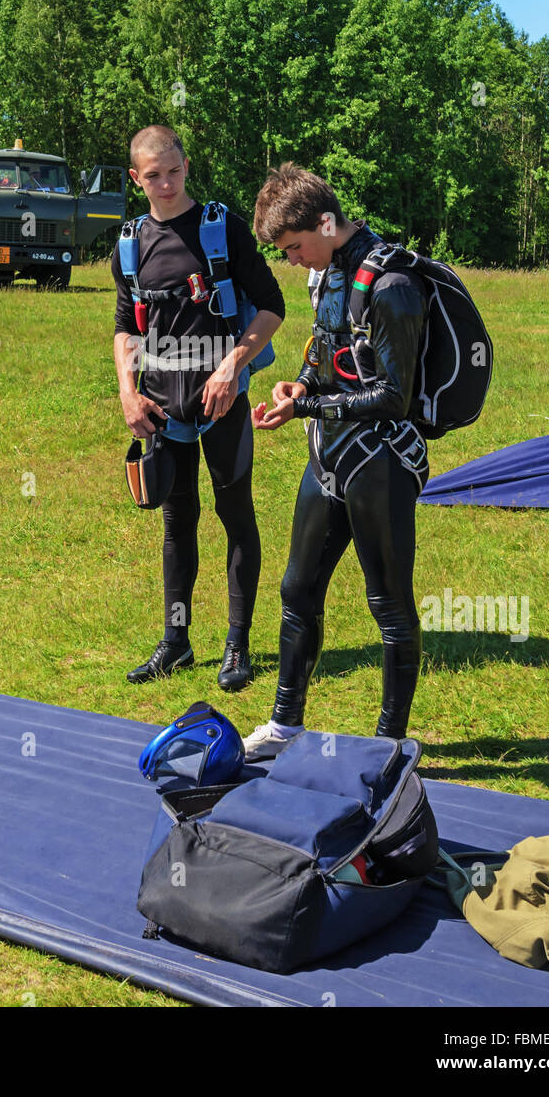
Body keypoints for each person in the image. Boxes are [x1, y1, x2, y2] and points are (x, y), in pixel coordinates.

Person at [244, 163, 430, 758]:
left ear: (326, 223)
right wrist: (298, 388)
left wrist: (309, 407)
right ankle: (284, 724)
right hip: (328, 458)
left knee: (390, 607)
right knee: (297, 588)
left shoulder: (391, 285)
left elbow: (391, 398)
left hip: (381, 465)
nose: (292, 261)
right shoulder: (325, 276)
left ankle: (388, 745)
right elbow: (325, 351)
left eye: (295, 247)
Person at [112, 126, 285, 690]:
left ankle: (238, 645)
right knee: (176, 522)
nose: (166, 184)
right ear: (137, 179)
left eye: (174, 171)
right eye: (153, 175)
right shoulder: (131, 243)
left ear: (187, 166)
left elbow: (272, 308)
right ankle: (177, 641)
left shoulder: (222, 228)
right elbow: (123, 328)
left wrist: (232, 367)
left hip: (222, 402)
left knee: (235, 517)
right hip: (162, 406)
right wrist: (127, 391)